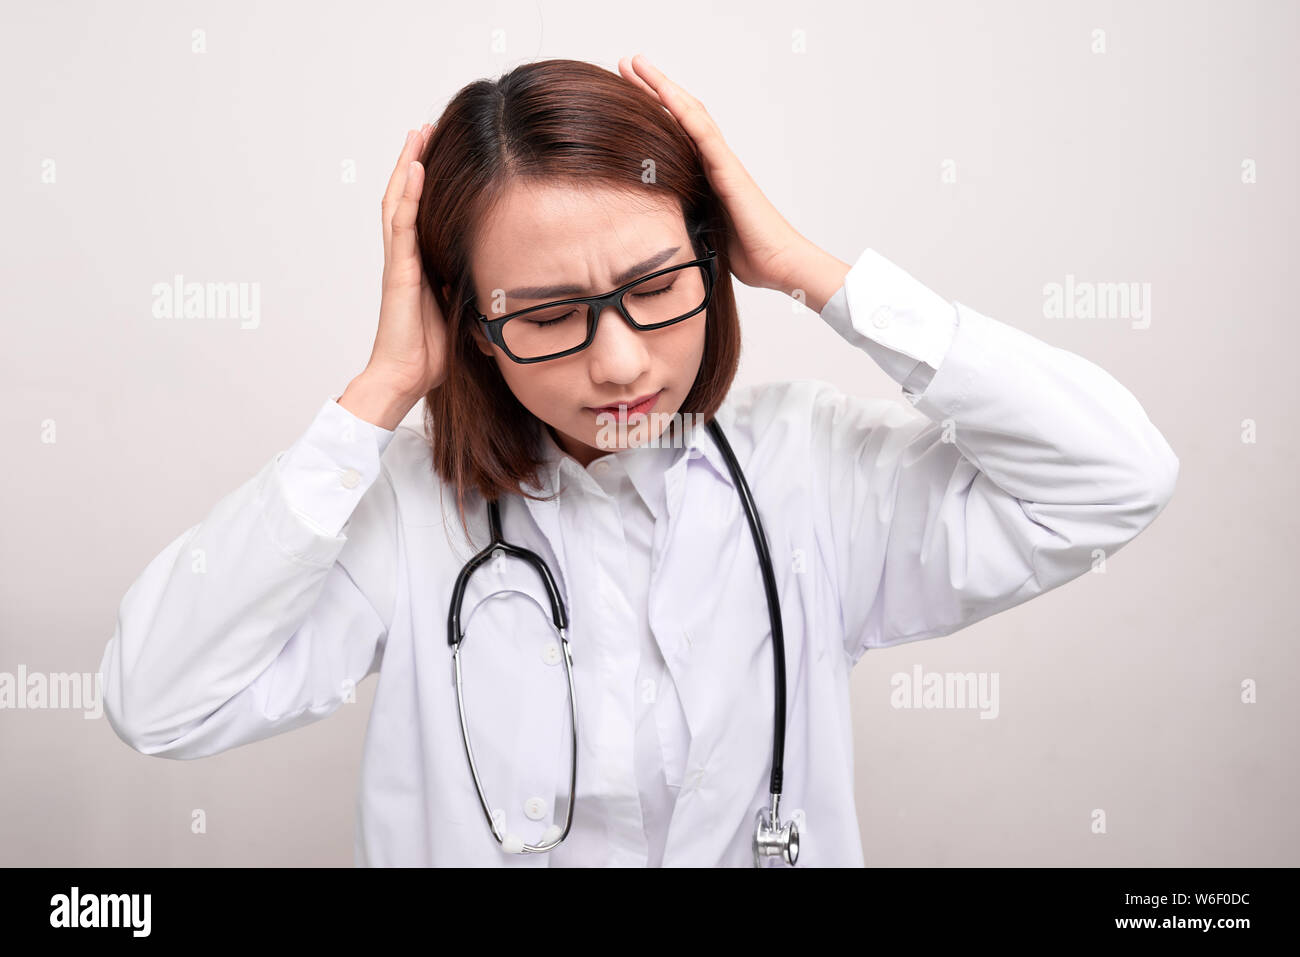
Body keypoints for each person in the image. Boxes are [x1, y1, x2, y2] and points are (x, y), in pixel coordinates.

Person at [99, 56, 1179, 867]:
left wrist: (814, 272)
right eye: (549, 313)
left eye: (658, 286)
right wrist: (376, 396)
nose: (620, 362)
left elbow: (1113, 476)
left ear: (714, 256)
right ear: (470, 324)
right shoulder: (404, 511)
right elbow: (160, 702)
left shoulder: (809, 472)